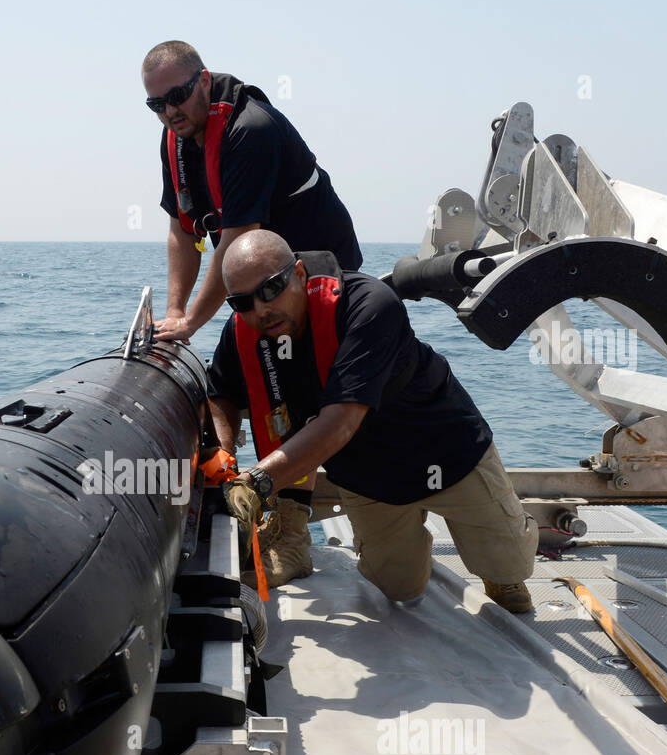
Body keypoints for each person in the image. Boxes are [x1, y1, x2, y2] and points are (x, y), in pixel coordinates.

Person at [207, 230, 538, 614]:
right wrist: (225, 461)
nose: (260, 310)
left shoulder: (369, 305)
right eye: (242, 302)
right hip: (369, 476)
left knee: (510, 568)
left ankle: (502, 554)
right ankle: (415, 540)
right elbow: (221, 394)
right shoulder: (244, 331)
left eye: (270, 289)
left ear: (298, 274)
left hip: (447, 453)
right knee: (399, 588)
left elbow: (342, 422)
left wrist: (256, 483)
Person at [141, 39, 363, 585]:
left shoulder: (250, 129)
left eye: (176, 96)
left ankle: (290, 534)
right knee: (221, 387)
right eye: (156, 104)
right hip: (250, 278)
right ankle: (237, 490)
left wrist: (193, 321)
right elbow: (182, 228)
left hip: (311, 270)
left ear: (203, 80)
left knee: (286, 388)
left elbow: (237, 238)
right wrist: (174, 314)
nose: (170, 111)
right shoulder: (177, 137)